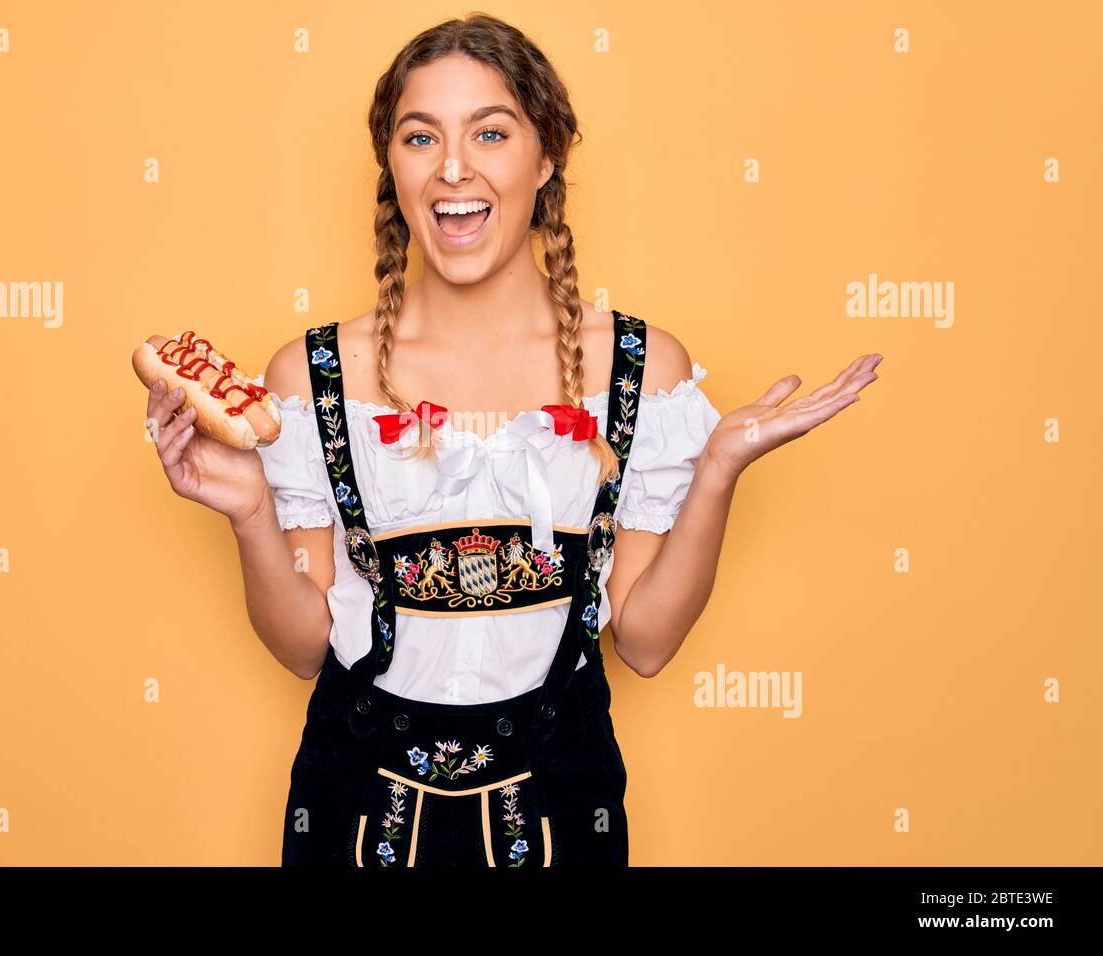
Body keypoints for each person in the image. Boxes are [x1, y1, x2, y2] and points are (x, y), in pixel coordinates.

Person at [143, 14, 880, 867]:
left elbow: (643, 642)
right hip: (353, 819)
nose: (454, 168)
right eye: (421, 137)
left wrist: (717, 471)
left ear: (548, 154)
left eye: (491, 132)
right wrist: (246, 513)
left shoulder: (640, 369)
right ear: (392, 163)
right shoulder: (312, 376)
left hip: (562, 820)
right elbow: (302, 645)